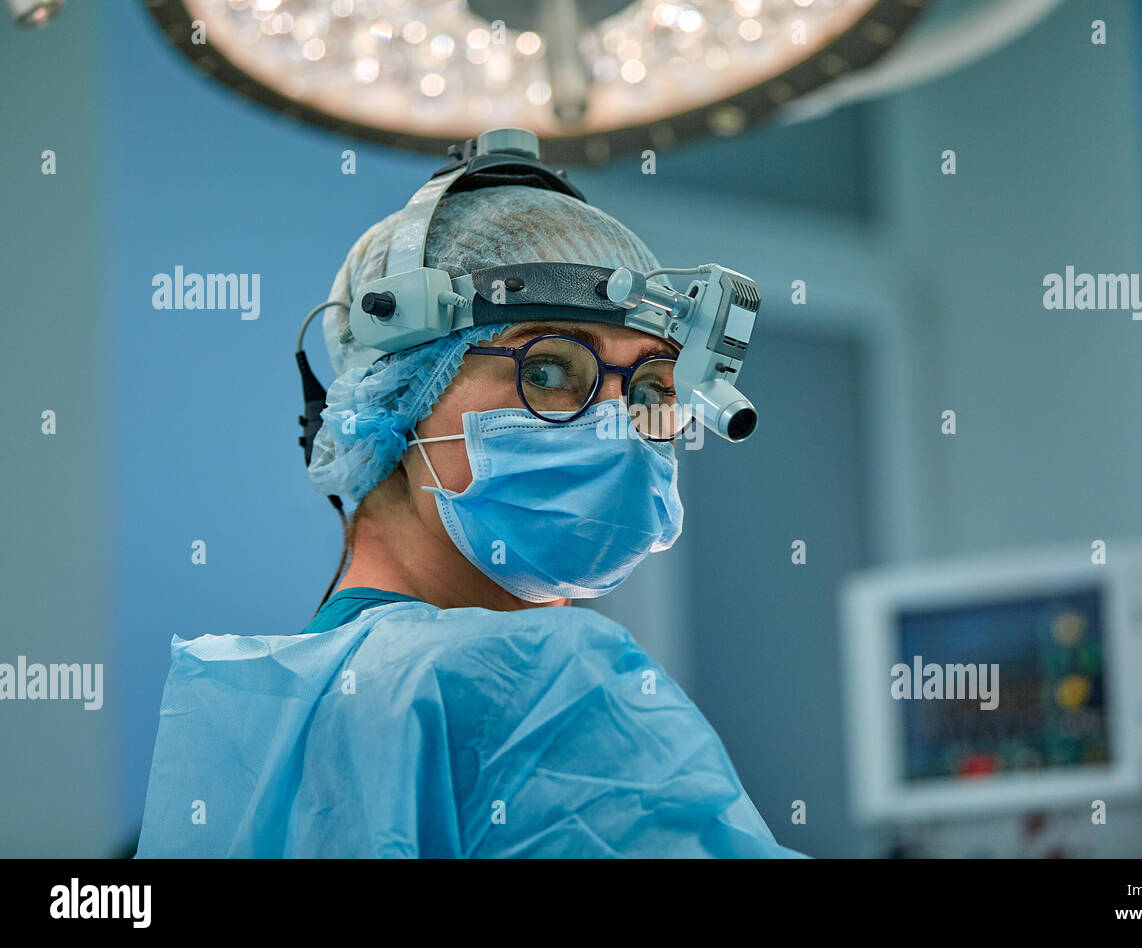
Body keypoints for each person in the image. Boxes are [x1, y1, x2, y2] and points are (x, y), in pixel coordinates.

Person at [135, 176, 804, 858]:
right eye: (547, 370)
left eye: (654, 390)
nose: (618, 429)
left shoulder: (246, 719)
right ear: (395, 394)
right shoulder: (545, 692)